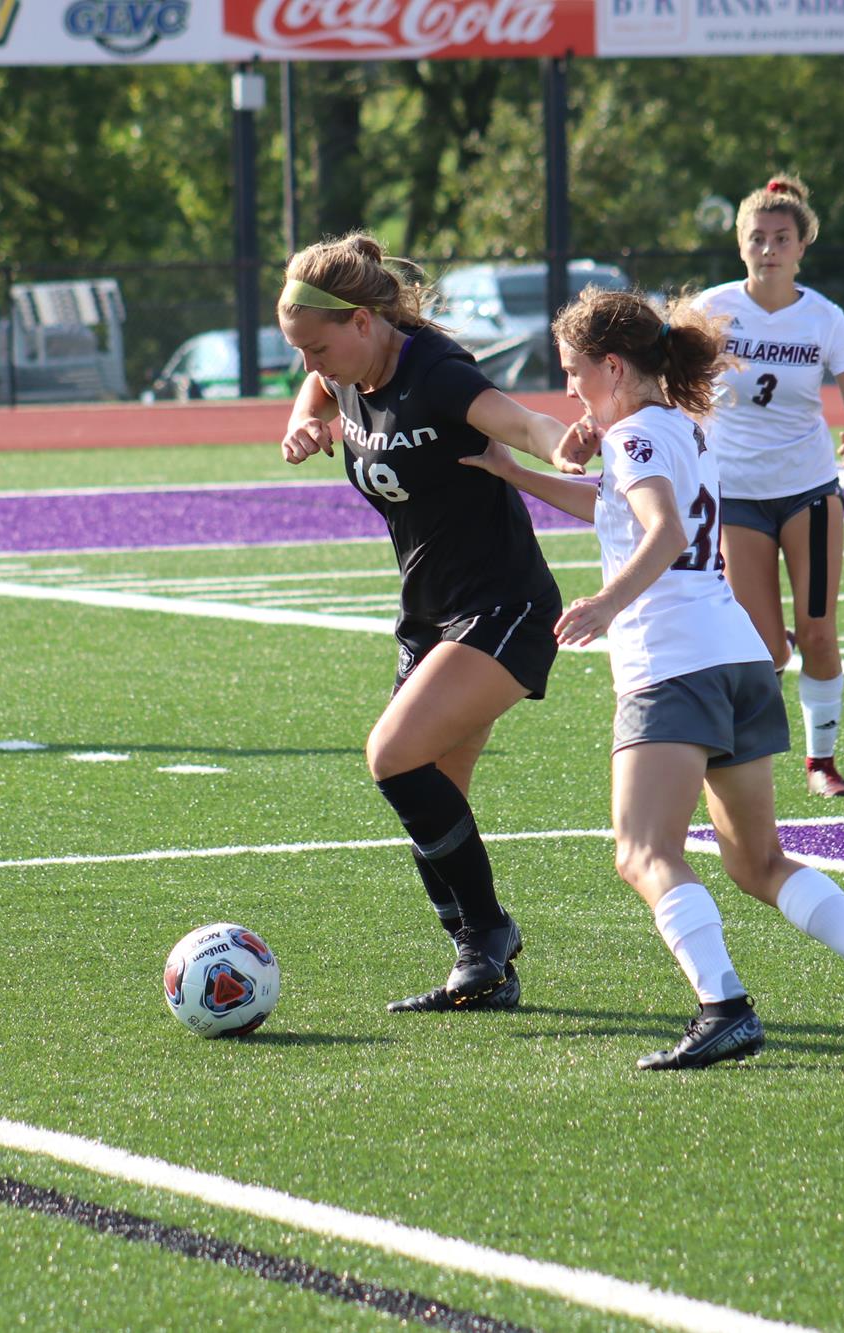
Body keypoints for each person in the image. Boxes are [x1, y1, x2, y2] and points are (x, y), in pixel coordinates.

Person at [464, 286, 844, 1069]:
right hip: (740, 658)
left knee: (642, 851)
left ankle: (724, 1006)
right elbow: (619, 509)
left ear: (612, 366)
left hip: (672, 662)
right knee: (758, 861)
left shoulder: (634, 438)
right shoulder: (681, 423)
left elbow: (663, 529)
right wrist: (511, 471)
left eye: (576, 373)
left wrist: (610, 602)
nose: (571, 392)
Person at [276, 232, 580, 1014]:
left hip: (503, 603)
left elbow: (513, 421)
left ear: (363, 321)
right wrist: (304, 421)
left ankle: (488, 931)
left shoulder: (435, 371)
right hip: (430, 612)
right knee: (436, 795)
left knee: (392, 755)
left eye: (317, 348)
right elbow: (318, 393)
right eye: (298, 354)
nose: (310, 367)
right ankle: (482, 966)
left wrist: (564, 441)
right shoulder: (340, 370)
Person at [692, 174, 844, 797]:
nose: (768, 248)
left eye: (781, 238)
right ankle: (783, 641)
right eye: (757, 238)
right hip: (736, 492)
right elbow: (668, 384)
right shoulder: (709, 311)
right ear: (740, 244)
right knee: (766, 649)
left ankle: (821, 762)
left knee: (820, 633)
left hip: (809, 489)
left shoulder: (824, 317)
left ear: (802, 245)